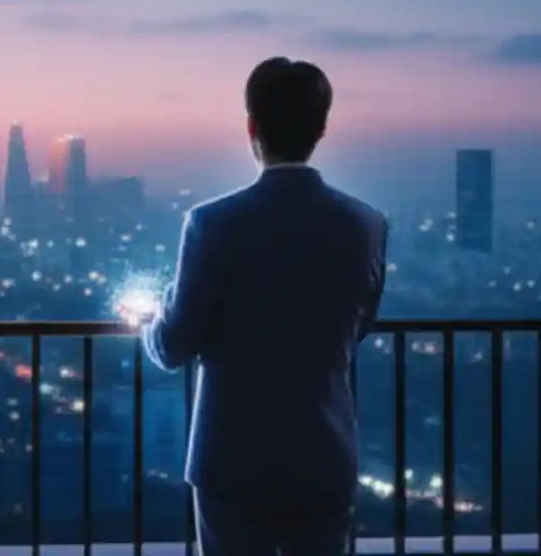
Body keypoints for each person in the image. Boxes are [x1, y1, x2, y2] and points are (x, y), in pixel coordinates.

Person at [139, 57, 388, 555]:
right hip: (323, 455)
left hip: (231, 460)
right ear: (321, 128)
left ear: (251, 126)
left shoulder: (212, 223)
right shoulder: (366, 224)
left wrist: (153, 315)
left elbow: (173, 345)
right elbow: (359, 323)